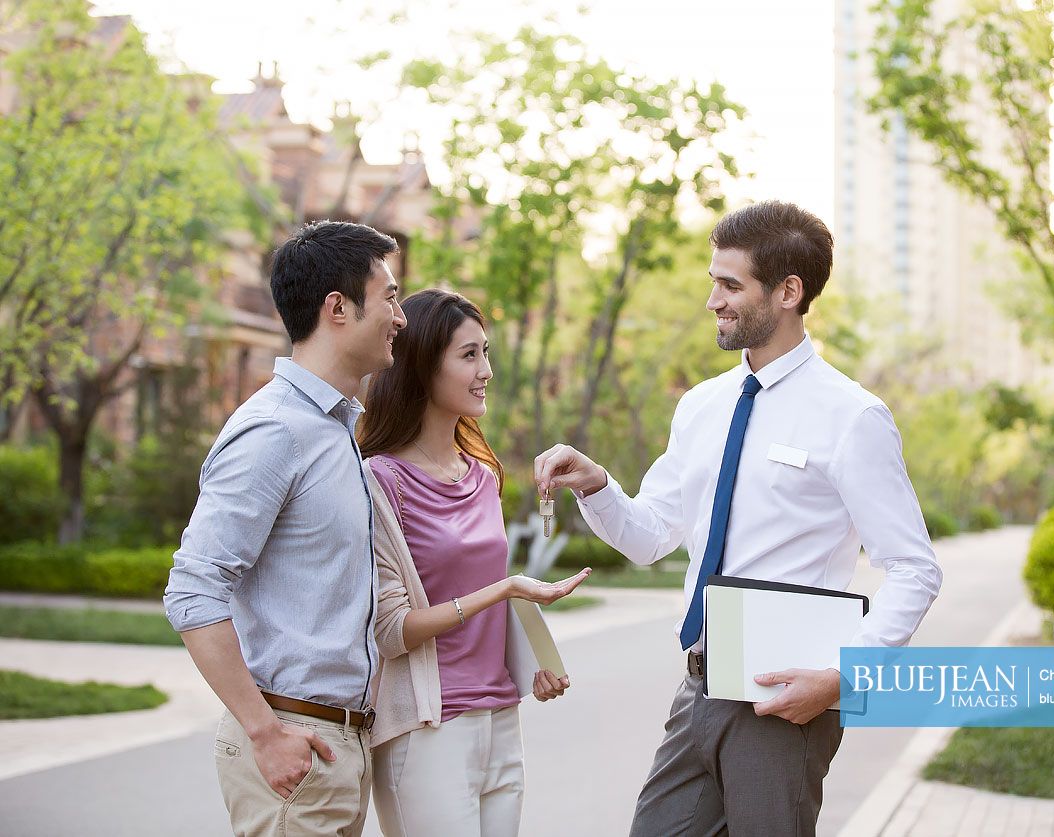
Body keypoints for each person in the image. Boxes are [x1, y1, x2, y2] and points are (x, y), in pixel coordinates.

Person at [534, 200, 943, 836]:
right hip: (698, 690)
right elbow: (650, 537)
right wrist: (598, 487)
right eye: (712, 282)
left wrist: (839, 679)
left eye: (730, 285)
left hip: (785, 701)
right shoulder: (701, 406)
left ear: (788, 292)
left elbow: (914, 569)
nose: (713, 301)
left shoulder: (853, 417)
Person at [164, 220, 407, 836]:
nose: (400, 317)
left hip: (339, 744)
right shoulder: (276, 430)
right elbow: (193, 589)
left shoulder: (332, 429)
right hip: (295, 741)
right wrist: (265, 733)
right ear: (338, 309)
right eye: (391, 296)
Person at [357, 288, 591, 837]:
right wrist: (507, 588)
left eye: (485, 352)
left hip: (501, 716)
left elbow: (488, 589)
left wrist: (531, 663)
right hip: (428, 727)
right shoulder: (380, 482)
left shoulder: (482, 475)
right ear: (420, 365)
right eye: (468, 355)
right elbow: (392, 632)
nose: (485, 370)